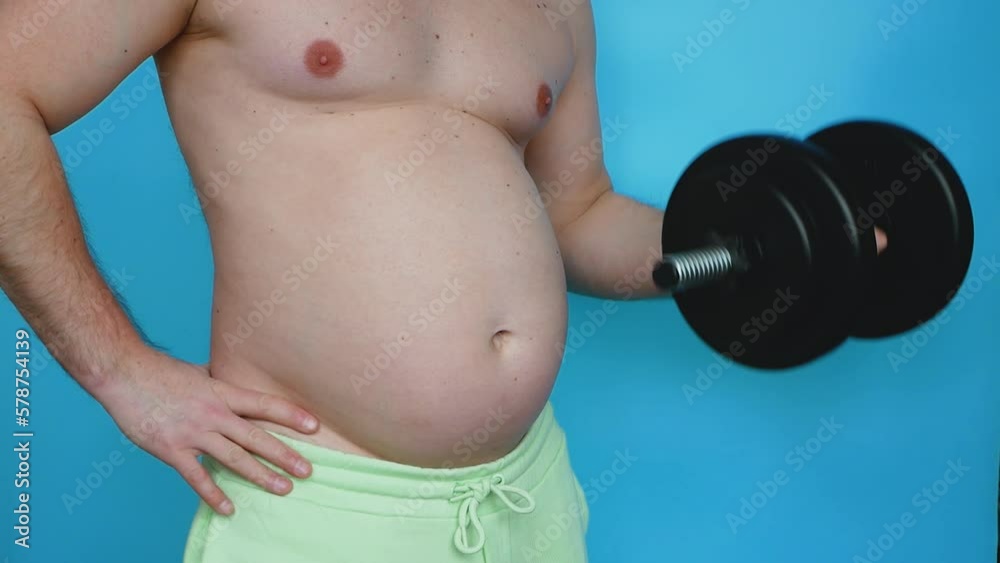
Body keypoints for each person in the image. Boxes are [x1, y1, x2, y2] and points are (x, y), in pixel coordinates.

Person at [0, 1, 886, 561]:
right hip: (323, 502)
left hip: (529, 498)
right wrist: (121, 371)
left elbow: (578, 214)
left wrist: (775, 242)